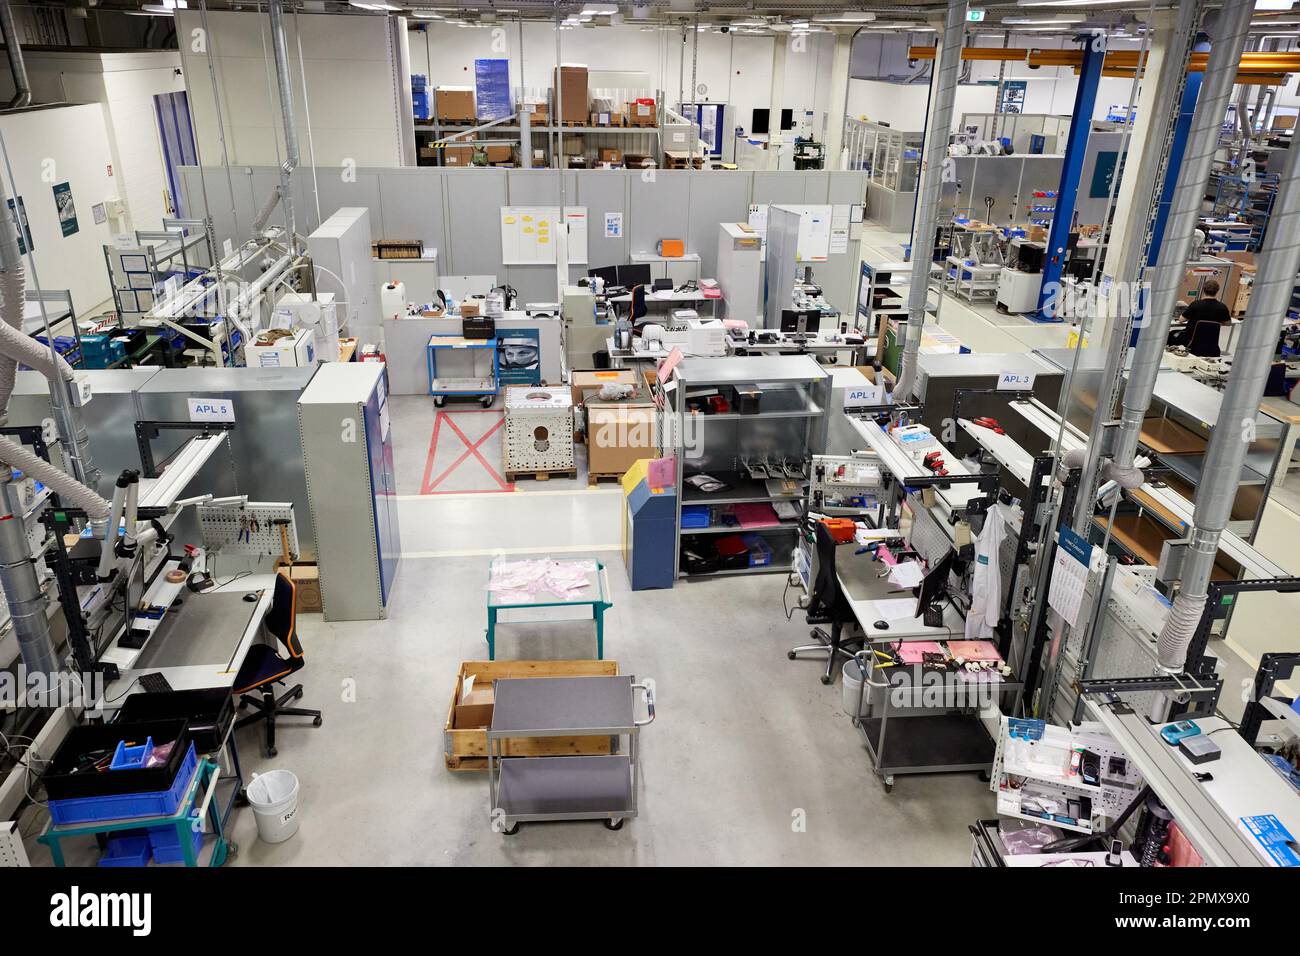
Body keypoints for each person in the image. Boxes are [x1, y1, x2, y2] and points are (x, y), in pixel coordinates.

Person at [1168, 279, 1231, 356]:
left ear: (1203, 290)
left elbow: (1181, 320)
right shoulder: (1222, 307)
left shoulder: (1195, 304)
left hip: (1190, 340)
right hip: (1210, 343)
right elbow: (1228, 323)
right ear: (1217, 291)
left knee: (1171, 334)